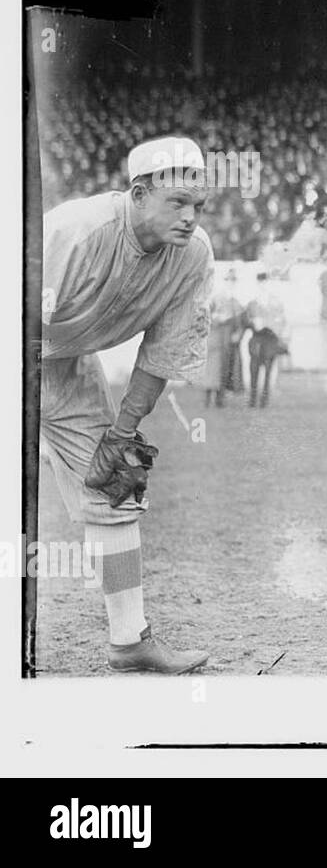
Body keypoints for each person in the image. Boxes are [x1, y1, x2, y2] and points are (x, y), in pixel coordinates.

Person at [40, 135, 213, 673]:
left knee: (116, 486)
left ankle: (130, 640)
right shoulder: (73, 230)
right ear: (139, 194)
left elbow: (164, 352)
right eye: (177, 203)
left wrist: (121, 432)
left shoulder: (193, 256)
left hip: (64, 364)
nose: (190, 217)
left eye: (197, 205)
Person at [202, 268, 245, 408]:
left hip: (228, 342)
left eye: (233, 280)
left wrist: (238, 334)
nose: (230, 283)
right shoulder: (216, 298)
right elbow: (205, 316)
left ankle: (220, 400)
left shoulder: (236, 302)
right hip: (215, 338)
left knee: (225, 370)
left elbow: (240, 322)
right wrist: (217, 319)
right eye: (228, 280)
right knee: (212, 370)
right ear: (224, 281)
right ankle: (208, 400)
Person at [245, 271, 289, 408]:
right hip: (257, 340)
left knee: (268, 372)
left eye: (266, 282)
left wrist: (269, 324)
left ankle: (264, 400)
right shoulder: (252, 302)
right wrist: (253, 323)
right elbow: (246, 319)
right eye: (261, 282)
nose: (263, 285)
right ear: (258, 284)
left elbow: (282, 321)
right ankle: (252, 399)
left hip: (270, 340)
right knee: (254, 370)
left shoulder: (276, 302)